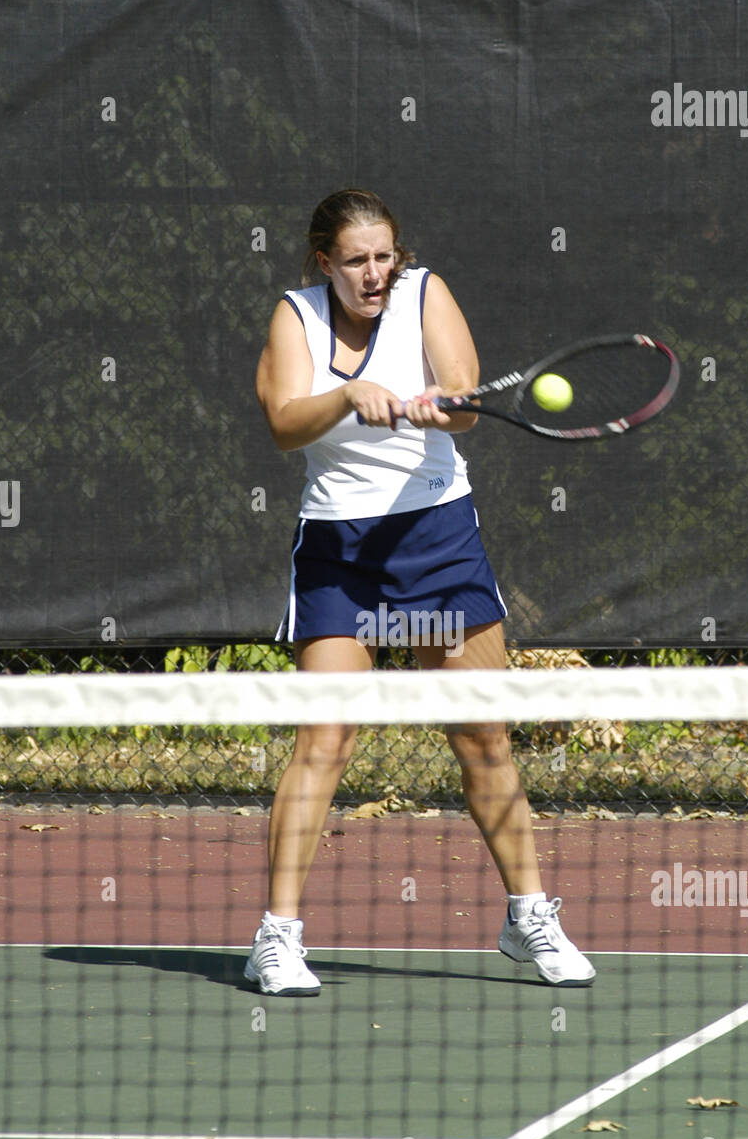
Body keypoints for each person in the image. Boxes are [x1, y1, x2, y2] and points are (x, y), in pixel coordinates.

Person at [247, 188, 594, 996]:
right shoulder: (294, 317)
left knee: (482, 736)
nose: (375, 274)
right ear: (324, 261)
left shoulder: (424, 294)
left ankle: (528, 915)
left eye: (385, 257)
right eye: (357, 260)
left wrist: (444, 409)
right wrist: (344, 397)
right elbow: (282, 422)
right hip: (341, 551)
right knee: (324, 742)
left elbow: (467, 398)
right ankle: (277, 938)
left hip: (437, 538)